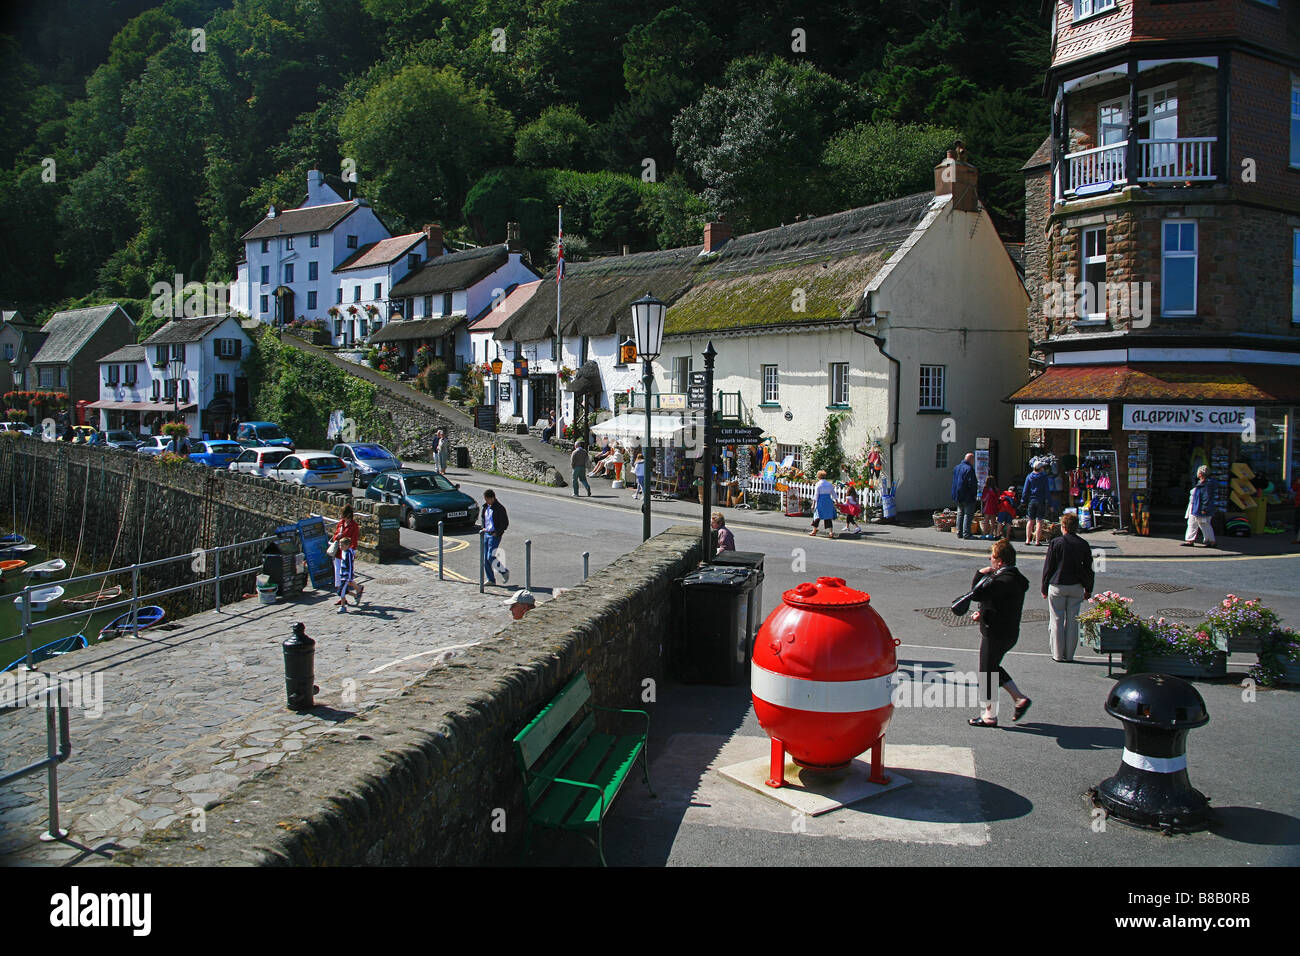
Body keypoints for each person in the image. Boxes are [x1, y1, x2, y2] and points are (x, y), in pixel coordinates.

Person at [967, 538, 1032, 727]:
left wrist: (980, 573)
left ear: (1000, 561)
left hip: (995, 632)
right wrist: (983, 612)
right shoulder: (1015, 578)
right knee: (992, 667)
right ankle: (1019, 699)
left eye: (992, 558)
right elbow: (1000, 603)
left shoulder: (1003, 580)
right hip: (1009, 631)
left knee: (987, 672)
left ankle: (989, 715)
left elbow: (977, 593)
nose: (990, 560)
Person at [1042, 512, 1094, 662]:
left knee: (1056, 620)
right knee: (1072, 621)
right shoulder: (1083, 544)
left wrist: (1044, 588)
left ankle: (1058, 655)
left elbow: (1048, 567)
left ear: (1063, 526)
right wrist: (1088, 588)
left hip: (1057, 585)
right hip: (1076, 586)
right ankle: (1070, 655)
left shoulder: (1056, 542)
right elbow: (1089, 569)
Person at [1181, 465, 1216, 547]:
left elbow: (1206, 497)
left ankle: (1211, 541)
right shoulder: (1201, 483)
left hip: (1200, 508)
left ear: (1201, 474)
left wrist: (1204, 508)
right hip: (1195, 507)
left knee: (1204, 524)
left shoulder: (1206, 484)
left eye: (1198, 472)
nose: (1197, 474)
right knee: (1192, 523)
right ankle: (1190, 540)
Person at [480, 489, 509, 585]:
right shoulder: (485, 507)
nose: (486, 501)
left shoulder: (499, 508)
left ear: (492, 498)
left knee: (490, 556)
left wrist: (497, 532)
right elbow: (484, 519)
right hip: (486, 534)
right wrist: (483, 527)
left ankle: (504, 571)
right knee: (485, 558)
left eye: (487, 499)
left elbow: (505, 523)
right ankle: (491, 579)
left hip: (494, 535)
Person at [1022, 460, 1051, 545]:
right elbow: (1047, 491)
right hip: (1040, 500)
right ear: (1041, 468)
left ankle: (1027, 540)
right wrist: (1049, 502)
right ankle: (1037, 541)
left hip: (1031, 500)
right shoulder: (1044, 477)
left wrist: (1023, 500)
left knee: (1030, 520)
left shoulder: (1029, 476)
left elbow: (1025, 490)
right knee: (1039, 521)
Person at [951, 452, 978, 539]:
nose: (974, 462)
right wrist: (974, 494)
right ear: (971, 459)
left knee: (960, 514)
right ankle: (966, 533)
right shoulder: (969, 469)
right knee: (968, 514)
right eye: (973, 460)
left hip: (957, 495)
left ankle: (959, 532)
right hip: (967, 496)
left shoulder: (957, 468)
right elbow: (972, 484)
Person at [333, 535, 361, 611]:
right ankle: (355, 595)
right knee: (343, 590)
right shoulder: (343, 552)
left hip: (346, 575)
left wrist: (349, 576)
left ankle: (342, 606)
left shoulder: (348, 554)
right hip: (343, 574)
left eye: (342, 545)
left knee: (341, 591)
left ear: (347, 545)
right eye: (339, 545)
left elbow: (350, 565)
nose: (340, 547)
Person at [809, 469, 836, 538]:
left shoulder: (818, 484)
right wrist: (836, 501)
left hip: (820, 501)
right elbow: (833, 493)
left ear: (818, 476)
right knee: (828, 516)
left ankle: (814, 531)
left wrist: (813, 504)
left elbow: (816, 495)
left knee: (817, 516)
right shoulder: (829, 484)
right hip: (828, 501)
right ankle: (831, 532)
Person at [980, 475, 1000, 539]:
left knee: (986, 521)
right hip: (994, 506)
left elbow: (983, 499)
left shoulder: (986, 489)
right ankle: (991, 534)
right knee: (993, 521)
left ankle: (984, 534)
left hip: (987, 506)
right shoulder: (996, 489)